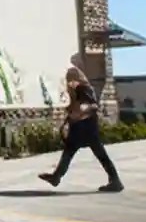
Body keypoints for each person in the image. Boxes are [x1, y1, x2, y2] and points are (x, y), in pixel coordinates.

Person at [38, 54, 124, 192]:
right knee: (70, 151)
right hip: (79, 125)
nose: (68, 82)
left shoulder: (83, 88)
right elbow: (75, 107)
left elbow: (92, 105)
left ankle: (115, 181)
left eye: (70, 79)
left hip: (87, 126)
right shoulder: (77, 90)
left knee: (98, 154)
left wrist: (81, 111)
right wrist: (68, 118)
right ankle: (56, 177)